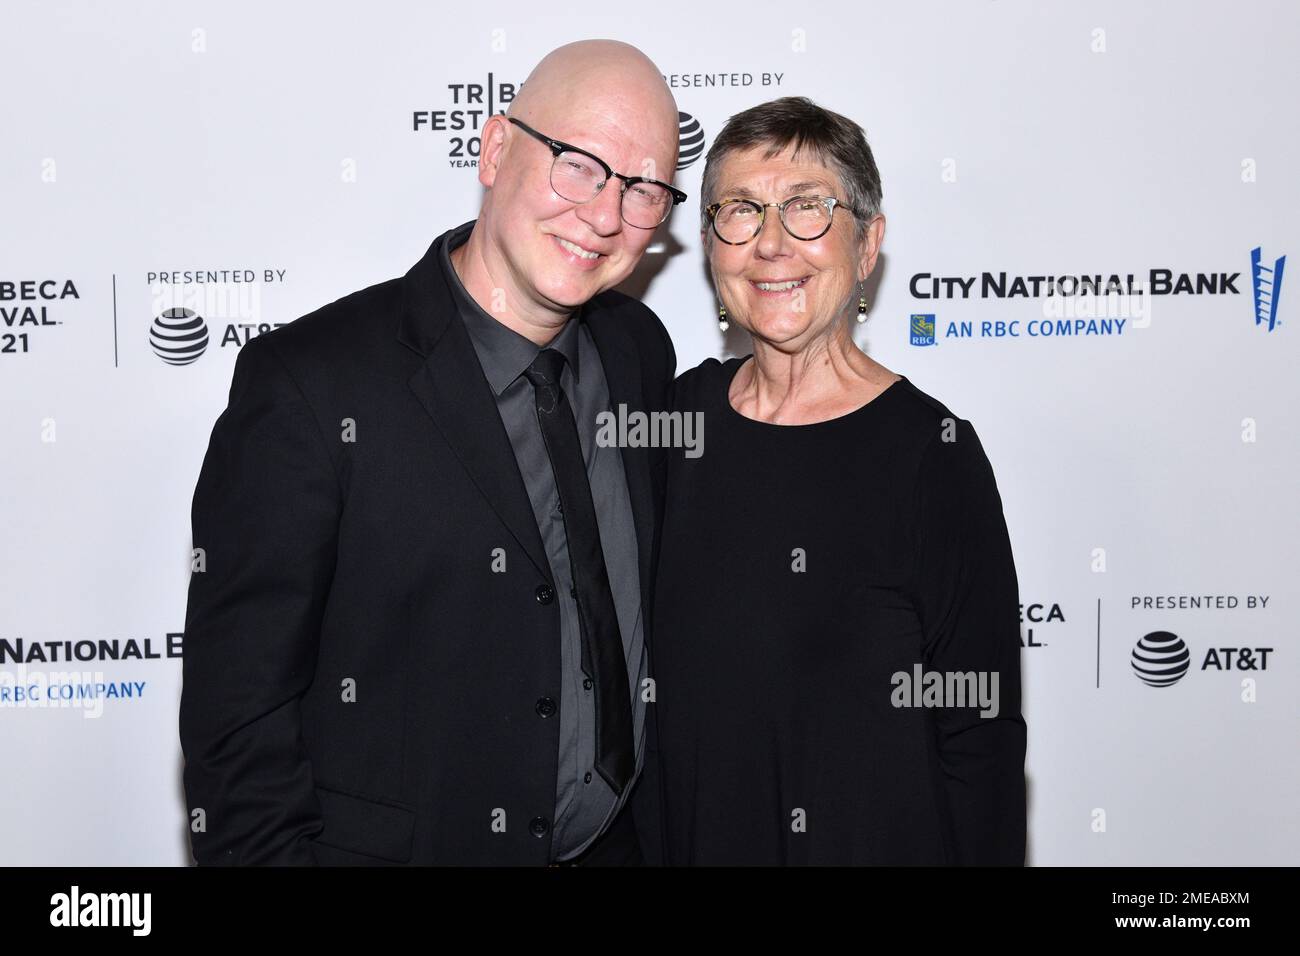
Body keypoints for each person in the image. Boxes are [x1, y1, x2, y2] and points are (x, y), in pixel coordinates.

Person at [179, 39, 685, 865]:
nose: (604, 215)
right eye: (581, 165)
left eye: (643, 190)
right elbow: (239, 728)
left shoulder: (637, 351)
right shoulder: (310, 387)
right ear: (493, 149)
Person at [652, 96, 1027, 864]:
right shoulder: (673, 425)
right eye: (741, 211)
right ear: (709, 244)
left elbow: (978, 736)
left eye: (808, 209)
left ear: (867, 245)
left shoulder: (933, 454)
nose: (771, 244)